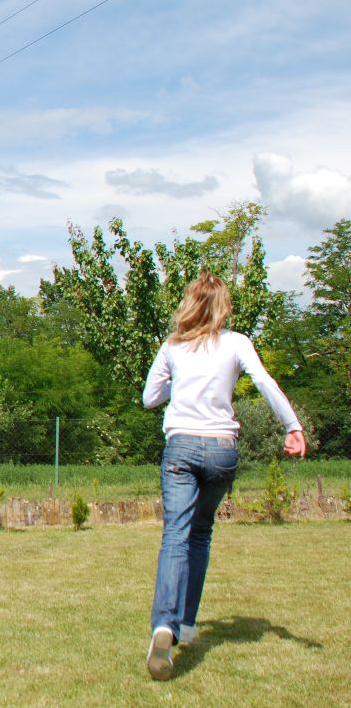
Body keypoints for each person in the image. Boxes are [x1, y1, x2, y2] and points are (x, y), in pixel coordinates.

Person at [140, 271, 306, 679]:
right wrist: (292, 426)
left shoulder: (173, 346)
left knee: (175, 534)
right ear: (223, 306)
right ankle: (189, 624)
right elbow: (264, 382)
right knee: (200, 532)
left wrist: (175, 388)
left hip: (180, 446)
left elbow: (149, 399)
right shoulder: (236, 343)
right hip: (221, 450)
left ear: (190, 304)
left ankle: (166, 623)